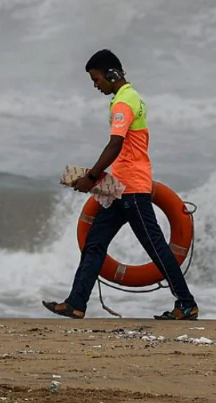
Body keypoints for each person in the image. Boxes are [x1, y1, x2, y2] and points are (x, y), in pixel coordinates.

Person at [42, 49, 200, 321]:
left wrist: (91, 177)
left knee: (155, 247)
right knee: (94, 243)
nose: (95, 85)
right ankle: (75, 303)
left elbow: (115, 144)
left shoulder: (124, 102)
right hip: (119, 190)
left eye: (96, 79)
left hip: (133, 190)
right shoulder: (128, 98)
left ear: (112, 74)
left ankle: (187, 304)